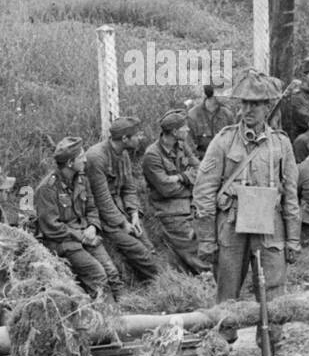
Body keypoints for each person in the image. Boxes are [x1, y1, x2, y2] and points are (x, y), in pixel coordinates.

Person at [192, 69, 301, 356]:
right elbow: (204, 190)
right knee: (228, 293)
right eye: (244, 104)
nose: (248, 110)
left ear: (268, 106)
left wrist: (293, 237)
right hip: (232, 226)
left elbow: (291, 193)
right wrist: (206, 239)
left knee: (274, 294)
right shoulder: (224, 140)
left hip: (270, 226)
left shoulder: (281, 145)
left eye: (256, 104)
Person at [33, 137, 120, 298]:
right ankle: (107, 316)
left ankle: (124, 311)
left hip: (87, 235)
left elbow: (92, 208)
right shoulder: (47, 189)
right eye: (81, 157)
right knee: (98, 275)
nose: (86, 159)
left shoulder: (82, 180)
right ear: (70, 163)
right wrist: (82, 237)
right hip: (64, 242)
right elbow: (52, 227)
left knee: (112, 273)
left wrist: (93, 227)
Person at [84, 115, 159, 284]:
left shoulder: (123, 154)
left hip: (121, 210)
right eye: (137, 135)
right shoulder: (96, 157)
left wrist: (133, 215)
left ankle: (157, 282)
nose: (141, 137)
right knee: (139, 249)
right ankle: (158, 284)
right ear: (125, 139)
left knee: (148, 246)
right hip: (103, 216)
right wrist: (123, 224)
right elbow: (102, 200)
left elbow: (129, 188)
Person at [140, 109, 204, 274]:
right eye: (184, 128)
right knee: (193, 246)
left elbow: (201, 170)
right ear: (175, 132)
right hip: (168, 209)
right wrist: (189, 181)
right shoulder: (152, 155)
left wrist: (180, 177)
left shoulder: (182, 146)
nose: (188, 130)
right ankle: (207, 277)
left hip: (190, 202)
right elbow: (166, 189)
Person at [186, 81, 237, 158]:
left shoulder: (227, 115)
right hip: (201, 163)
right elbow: (189, 149)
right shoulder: (193, 116)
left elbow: (235, 144)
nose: (228, 96)